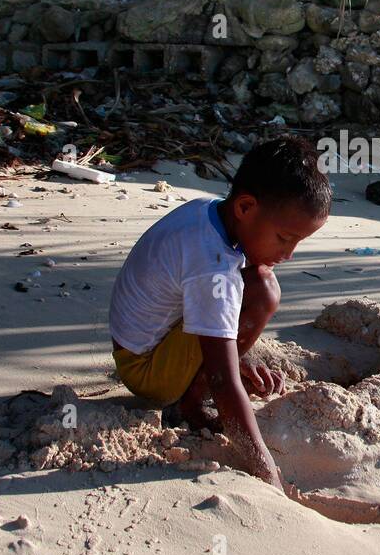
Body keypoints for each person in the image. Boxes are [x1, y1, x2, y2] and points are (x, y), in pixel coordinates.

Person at [108, 135, 330, 488]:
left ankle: (195, 378)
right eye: (285, 238)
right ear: (245, 207)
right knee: (263, 292)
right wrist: (265, 470)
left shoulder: (206, 211)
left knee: (256, 280)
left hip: (137, 344)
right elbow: (223, 382)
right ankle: (190, 406)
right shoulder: (214, 266)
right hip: (148, 373)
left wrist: (236, 360)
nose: (289, 254)